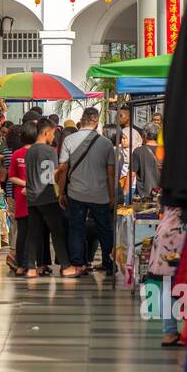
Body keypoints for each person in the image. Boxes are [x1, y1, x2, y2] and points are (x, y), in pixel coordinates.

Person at [56, 107, 116, 275]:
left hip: (76, 193)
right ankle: (108, 262)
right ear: (96, 121)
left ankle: (77, 264)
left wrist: (61, 192)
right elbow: (110, 173)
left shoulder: (69, 140)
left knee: (76, 228)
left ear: (82, 120)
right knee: (104, 229)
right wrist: (112, 195)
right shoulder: (106, 143)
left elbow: (62, 169)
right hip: (100, 194)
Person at [24, 122, 82, 278]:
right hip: (47, 196)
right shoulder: (49, 151)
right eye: (53, 133)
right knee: (57, 232)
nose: (54, 136)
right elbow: (53, 176)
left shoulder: (28, 152)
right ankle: (66, 266)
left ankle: (30, 267)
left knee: (33, 233)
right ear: (46, 132)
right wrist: (61, 186)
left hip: (31, 198)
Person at [6, 122, 37, 275]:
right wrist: (29, 184)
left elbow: (11, 177)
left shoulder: (16, 154)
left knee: (22, 232)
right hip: (34, 197)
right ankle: (29, 264)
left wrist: (25, 183)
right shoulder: (39, 153)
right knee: (31, 233)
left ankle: (21, 266)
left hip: (21, 197)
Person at [131, 125, 162, 198]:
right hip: (161, 195)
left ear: (144, 135)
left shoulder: (138, 151)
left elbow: (132, 174)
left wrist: (125, 194)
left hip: (143, 195)